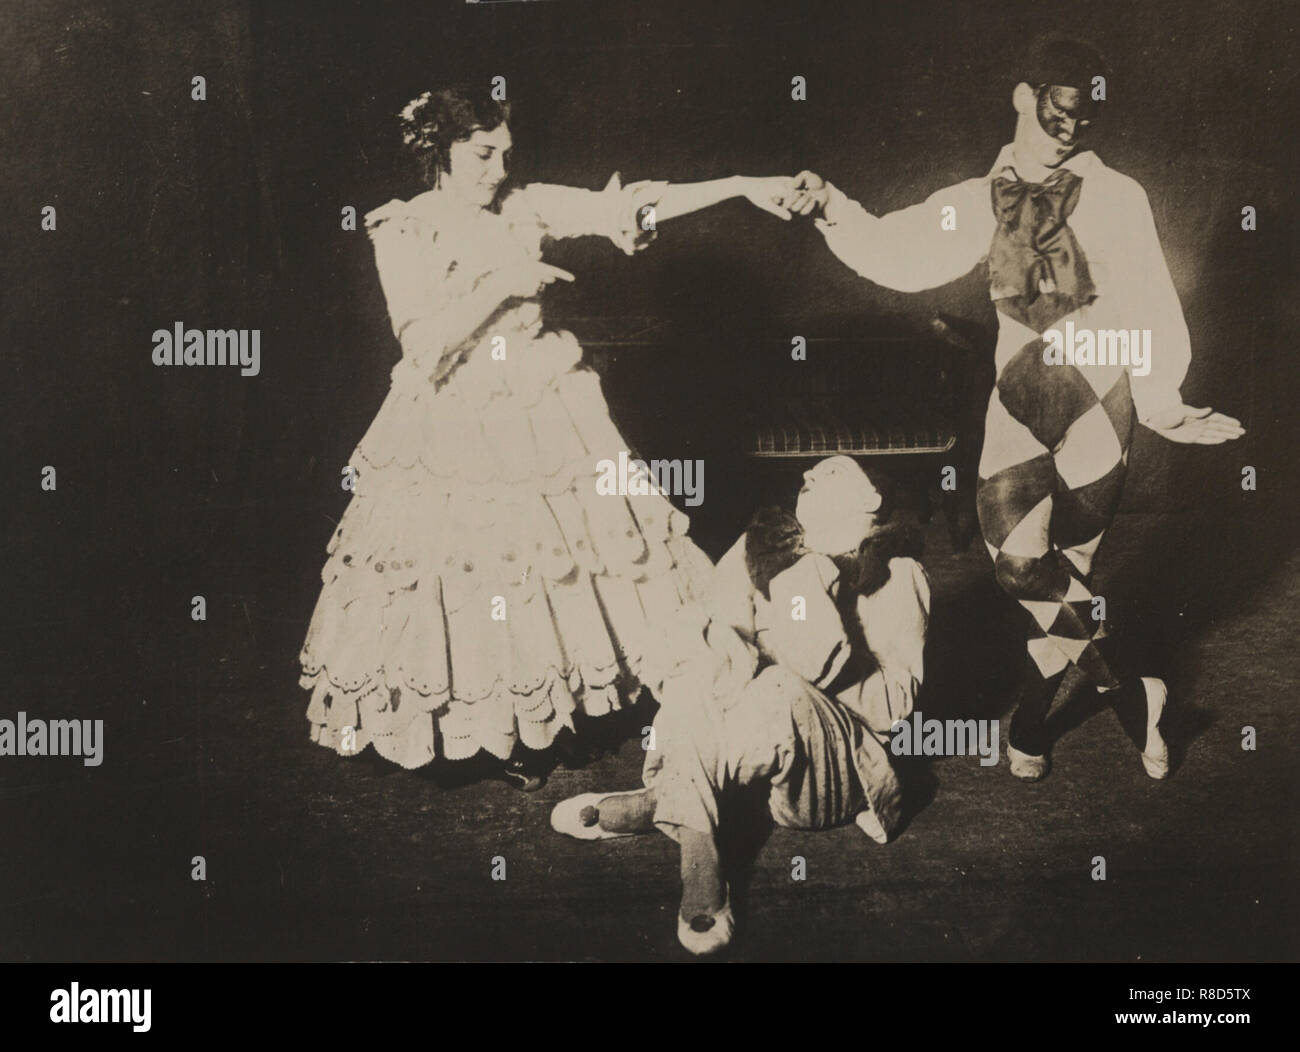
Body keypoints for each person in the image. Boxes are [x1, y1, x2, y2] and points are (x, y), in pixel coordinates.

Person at [299, 84, 796, 788]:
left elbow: (624, 206)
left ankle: (549, 721)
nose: (499, 167)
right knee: (482, 573)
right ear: (438, 151)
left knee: (563, 562)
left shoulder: (524, 205)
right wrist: (505, 283)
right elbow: (422, 347)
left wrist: (745, 186)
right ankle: (494, 726)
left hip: (546, 400)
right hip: (456, 417)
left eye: (506, 151)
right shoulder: (407, 227)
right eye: (482, 153)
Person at [783, 37, 1244, 782]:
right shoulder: (976, 199)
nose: (1071, 131)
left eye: (1085, 119)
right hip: (1017, 406)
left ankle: (1030, 724)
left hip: (1100, 403)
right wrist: (830, 203)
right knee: (1024, 570)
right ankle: (1135, 696)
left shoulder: (1120, 195)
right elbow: (899, 252)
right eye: (1058, 111)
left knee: (1069, 575)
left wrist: (1163, 397)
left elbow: (1154, 299)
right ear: (1023, 96)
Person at [551, 456, 931, 954]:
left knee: (780, 688)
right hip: (748, 766)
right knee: (701, 662)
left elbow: (896, 704)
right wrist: (727, 648)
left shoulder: (898, 574)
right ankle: (699, 854)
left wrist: (811, 654)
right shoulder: (762, 547)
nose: (810, 478)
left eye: (832, 474)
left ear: (871, 500)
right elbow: (713, 639)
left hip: (832, 770)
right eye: (809, 475)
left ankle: (660, 804)